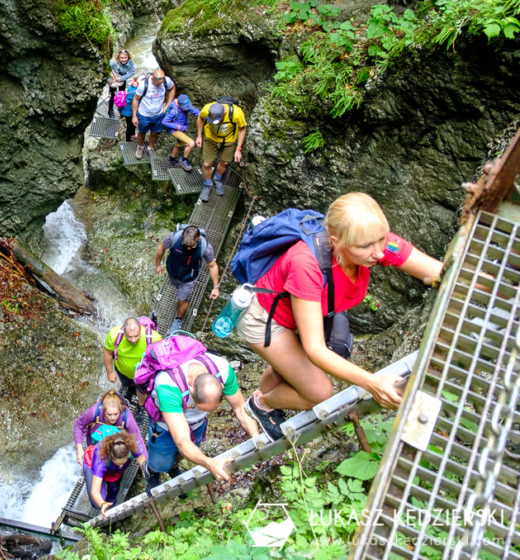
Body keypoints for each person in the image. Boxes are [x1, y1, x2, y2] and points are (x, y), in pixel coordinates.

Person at [236, 193, 443, 441]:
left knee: (299, 365)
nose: (379, 253)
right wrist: (374, 383)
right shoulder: (307, 264)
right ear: (335, 242)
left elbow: (438, 272)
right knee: (320, 392)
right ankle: (262, 403)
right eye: (366, 246)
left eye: (381, 240)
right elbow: (316, 350)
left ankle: (279, 378)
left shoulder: (371, 241)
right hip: (264, 319)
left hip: (303, 310)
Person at [142, 347, 259, 491]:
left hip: (197, 423)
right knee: (161, 462)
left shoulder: (222, 369)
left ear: (221, 385)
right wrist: (210, 463)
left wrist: (256, 439)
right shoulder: (168, 385)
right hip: (165, 426)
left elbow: (240, 407)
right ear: (191, 391)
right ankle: (151, 471)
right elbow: (182, 440)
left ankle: (174, 467)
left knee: (186, 452)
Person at [155, 225, 221, 334]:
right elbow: (161, 247)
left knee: (182, 299)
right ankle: (178, 289)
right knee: (176, 286)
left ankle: (178, 319)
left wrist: (216, 287)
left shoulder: (205, 248)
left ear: (198, 239)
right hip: (172, 272)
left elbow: (212, 266)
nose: (189, 248)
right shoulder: (173, 238)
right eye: (186, 246)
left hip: (188, 278)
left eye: (192, 246)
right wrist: (158, 264)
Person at [73, 389, 148, 465]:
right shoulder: (93, 412)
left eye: (116, 414)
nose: (113, 418)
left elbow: (137, 438)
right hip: (95, 442)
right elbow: (79, 424)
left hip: (114, 446)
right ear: (104, 410)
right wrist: (79, 449)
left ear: (120, 409)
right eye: (109, 414)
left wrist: (145, 465)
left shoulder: (127, 418)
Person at [195, 96, 247, 203]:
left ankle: (217, 178)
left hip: (229, 138)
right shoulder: (207, 109)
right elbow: (200, 118)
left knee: (225, 162)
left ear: (223, 114)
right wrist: (199, 136)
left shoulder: (236, 114)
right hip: (210, 136)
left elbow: (242, 128)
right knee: (207, 164)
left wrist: (238, 149)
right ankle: (207, 184)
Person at [84, 431, 146, 516]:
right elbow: (95, 491)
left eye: (123, 463)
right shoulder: (101, 461)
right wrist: (102, 504)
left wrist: (147, 477)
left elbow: (143, 465)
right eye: (118, 463)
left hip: (113, 471)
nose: (121, 466)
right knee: (96, 503)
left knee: (113, 490)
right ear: (111, 456)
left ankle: (112, 506)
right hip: (91, 462)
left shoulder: (133, 447)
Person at [102, 317, 162, 395]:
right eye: (130, 337)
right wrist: (110, 372)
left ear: (140, 330)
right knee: (127, 383)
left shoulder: (154, 338)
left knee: (142, 389)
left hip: (144, 373)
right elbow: (107, 352)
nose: (133, 340)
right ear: (124, 332)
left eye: (136, 336)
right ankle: (131, 386)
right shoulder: (114, 336)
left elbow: (161, 357)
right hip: (122, 371)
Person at [131, 69, 175, 160]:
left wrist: (167, 104)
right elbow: (135, 99)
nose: (161, 82)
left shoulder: (166, 81)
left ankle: (150, 147)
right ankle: (140, 147)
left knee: (155, 133)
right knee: (142, 132)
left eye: (162, 79)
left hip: (158, 114)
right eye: (159, 81)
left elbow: (172, 89)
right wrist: (134, 116)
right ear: (152, 79)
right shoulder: (144, 84)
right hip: (144, 114)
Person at [161, 94, 199, 171]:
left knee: (179, 144)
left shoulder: (183, 104)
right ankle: (184, 160)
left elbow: (193, 110)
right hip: (175, 130)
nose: (186, 109)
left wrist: (204, 115)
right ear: (179, 104)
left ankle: (172, 158)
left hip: (181, 129)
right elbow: (164, 122)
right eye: (185, 107)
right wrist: (178, 127)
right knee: (191, 143)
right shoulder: (174, 111)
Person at [119, 76, 140, 142]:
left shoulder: (133, 86)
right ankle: (128, 140)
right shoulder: (135, 91)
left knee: (131, 124)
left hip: (126, 110)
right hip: (128, 111)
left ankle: (132, 135)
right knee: (130, 125)